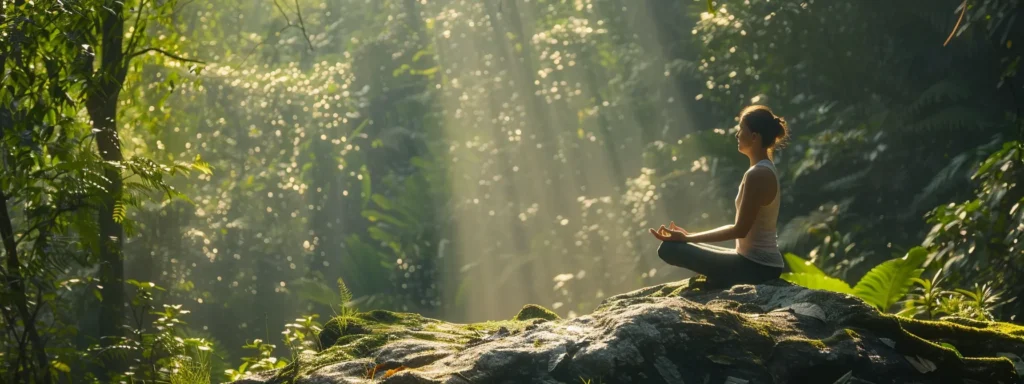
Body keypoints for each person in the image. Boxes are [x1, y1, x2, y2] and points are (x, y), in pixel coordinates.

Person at [649, 105, 789, 288]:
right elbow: (738, 228)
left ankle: (723, 279)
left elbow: (739, 230)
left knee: (669, 249)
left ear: (754, 137)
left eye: (741, 130)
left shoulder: (758, 174)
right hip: (753, 262)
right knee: (678, 245)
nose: (737, 135)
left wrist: (687, 239)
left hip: (758, 268)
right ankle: (720, 278)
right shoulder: (762, 170)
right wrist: (688, 236)